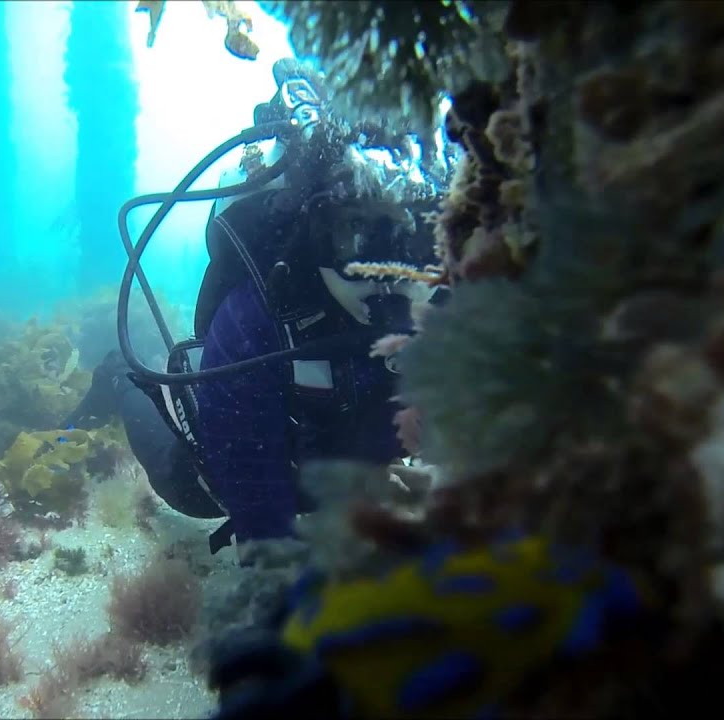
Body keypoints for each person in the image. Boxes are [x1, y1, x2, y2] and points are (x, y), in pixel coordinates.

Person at [66, 59, 446, 556]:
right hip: (267, 449)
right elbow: (249, 482)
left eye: (415, 242)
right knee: (193, 491)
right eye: (359, 240)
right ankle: (120, 377)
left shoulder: (454, 294)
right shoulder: (257, 319)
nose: (388, 278)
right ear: (318, 231)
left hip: (346, 441)